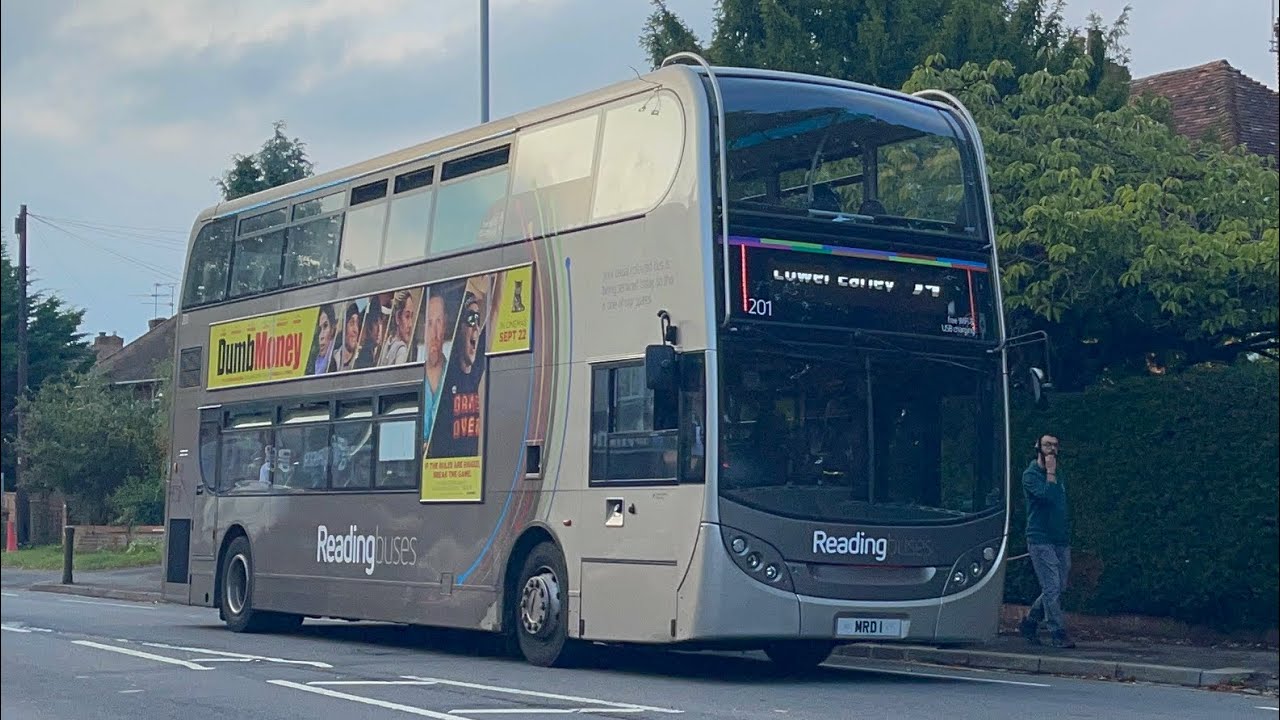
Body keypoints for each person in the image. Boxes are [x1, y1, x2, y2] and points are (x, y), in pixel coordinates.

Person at [1019, 434, 1076, 648]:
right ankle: (1057, 632)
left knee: (1059, 585)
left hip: (1059, 538)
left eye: (1055, 445)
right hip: (1040, 538)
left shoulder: (1059, 474)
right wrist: (1050, 472)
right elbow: (1047, 496)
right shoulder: (1031, 475)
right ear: (1038, 448)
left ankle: (1031, 621)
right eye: (1047, 445)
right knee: (1051, 585)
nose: (1052, 449)